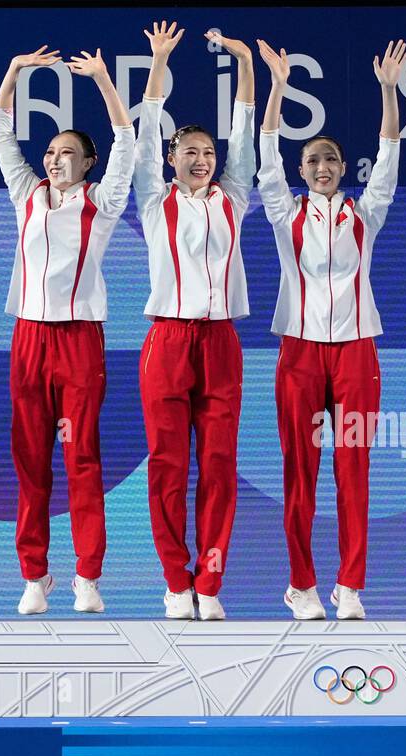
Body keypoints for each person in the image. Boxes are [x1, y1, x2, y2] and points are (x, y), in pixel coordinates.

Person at [256, 38, 406, 621]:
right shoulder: (284, 212)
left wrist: (389, 92)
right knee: (300, 473)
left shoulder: (364, 214)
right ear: (302, 170)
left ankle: (350, 586)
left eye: (332, 161)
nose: (322, 168)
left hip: (356, 353)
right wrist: (277, 87)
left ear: (344, 170)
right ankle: (301, 585)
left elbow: (388, 160)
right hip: (298, 352)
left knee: (353, 470)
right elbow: (266, 155)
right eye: (313, 161)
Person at [0, 44, 135, 615]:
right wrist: (13, 70)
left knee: (81, 459)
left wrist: (102, 80)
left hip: (79, 342)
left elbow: (127, 142)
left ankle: (87, 576)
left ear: (88, 163)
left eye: (67, 153)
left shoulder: (103, 202)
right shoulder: (26, 196)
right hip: (29, 339)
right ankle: (34, 575)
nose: (53, 160)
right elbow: (0, 131)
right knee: (30, 461)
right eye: (49, 152)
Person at [134, 23, 255, 621]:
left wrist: (244, 64)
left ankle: (209, 582)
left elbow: (247, 130)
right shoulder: (154, 200)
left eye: (209, 153)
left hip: (221, 341)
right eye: (190, 153)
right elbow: (145, 131)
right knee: (168, 465)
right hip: (168, 340)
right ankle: (174, 580)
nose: (202, 160)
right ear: (171, 160)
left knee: (219, 465)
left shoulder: (235, 197)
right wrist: (159, 61)